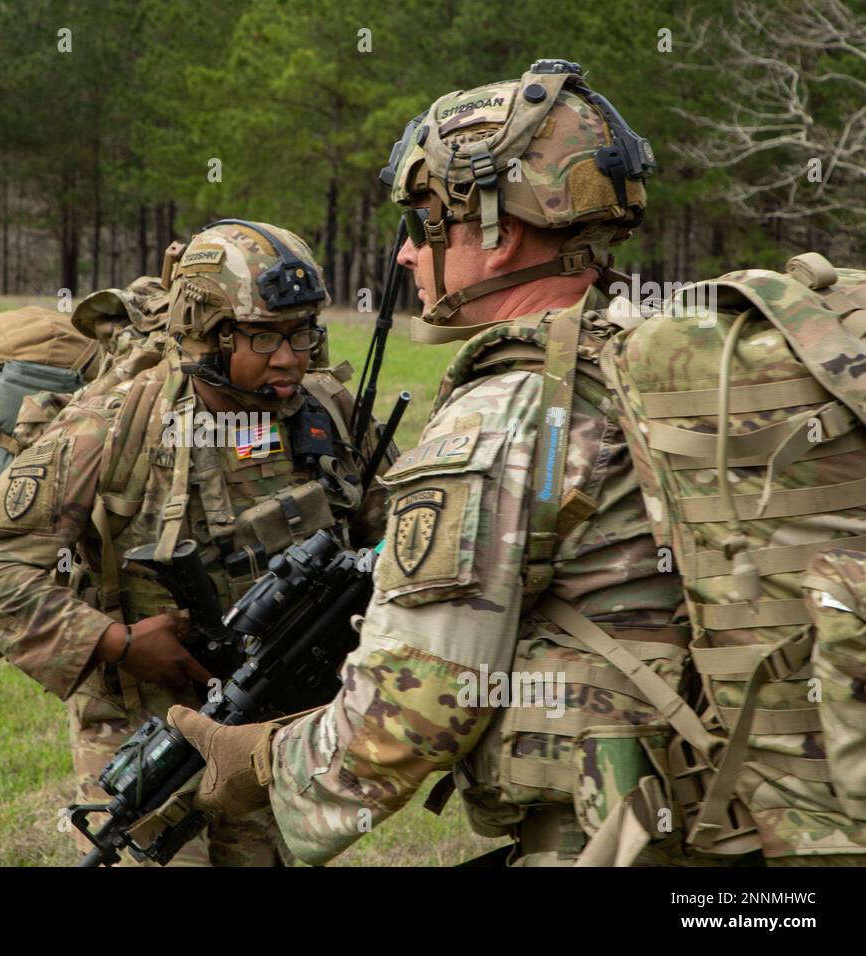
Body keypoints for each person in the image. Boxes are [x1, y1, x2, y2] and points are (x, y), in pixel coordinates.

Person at [166, 61, 712, 867]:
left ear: (499, 234)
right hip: (740, 816)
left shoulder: (506, 412)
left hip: (613, 834)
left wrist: (255, 763)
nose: (409, 257)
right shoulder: (677, 350)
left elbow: (411, 715)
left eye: (425, 223)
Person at [0, 219, 388, 865]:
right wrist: (117, 642)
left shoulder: (327, 412)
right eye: (264, 336)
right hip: (141, 727)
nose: (291, 357)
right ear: (208, 336)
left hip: (273, 722)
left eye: (303, 333)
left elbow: (398, 538)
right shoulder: (116, 424)